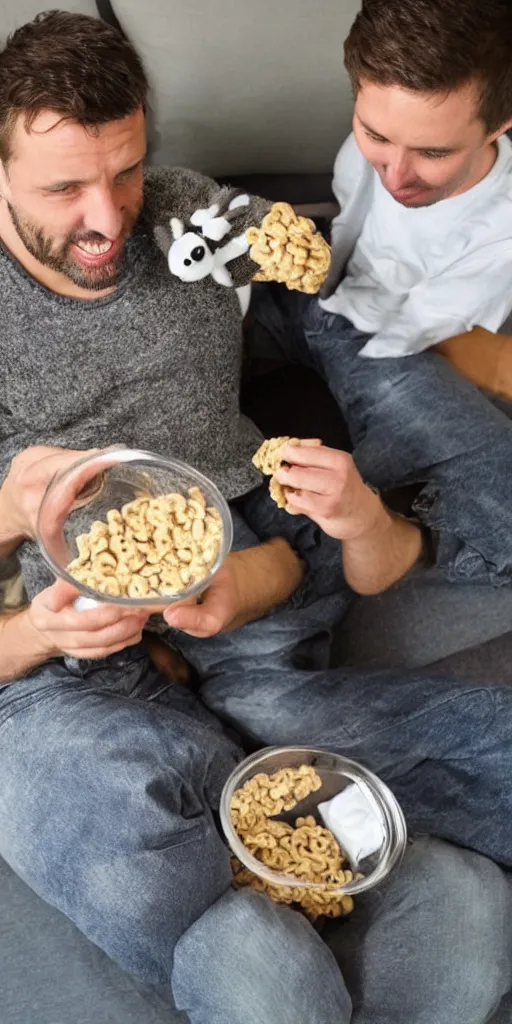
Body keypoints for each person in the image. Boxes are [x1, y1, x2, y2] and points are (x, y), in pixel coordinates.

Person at [0, 13, 511, 1024]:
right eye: (63, 189)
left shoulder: (191, 224)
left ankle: (316, 851)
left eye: (129, 171)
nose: (107, 219)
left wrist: (250, 581)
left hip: (230, 554)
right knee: (214, 914)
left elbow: (326, 295)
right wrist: (25, 576)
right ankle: (271, 888)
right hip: (52, 634)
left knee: (300, 730)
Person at [249, 0, 512, 589]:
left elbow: (447, 347)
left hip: (397, 346)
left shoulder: (501, 237)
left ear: (499, 126)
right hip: (316, 283)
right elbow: (347, 218)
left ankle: (402, 538)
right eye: (375, 135)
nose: (396, 175)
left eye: (434, 153)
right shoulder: (375, 151)